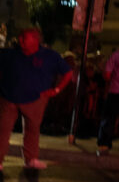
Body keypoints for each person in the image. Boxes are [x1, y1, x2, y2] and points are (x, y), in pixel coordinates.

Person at [0, 28, 74, 172]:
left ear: (35, 40)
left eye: (24, 37)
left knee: (33, 130)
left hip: (36, 99)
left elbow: (68, 72)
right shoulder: (10, 54)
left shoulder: (49, 56)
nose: (20, 40)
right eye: (20, 37)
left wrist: (57, 90)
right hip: (9, 97)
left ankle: (31, 159)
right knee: (3, 130)